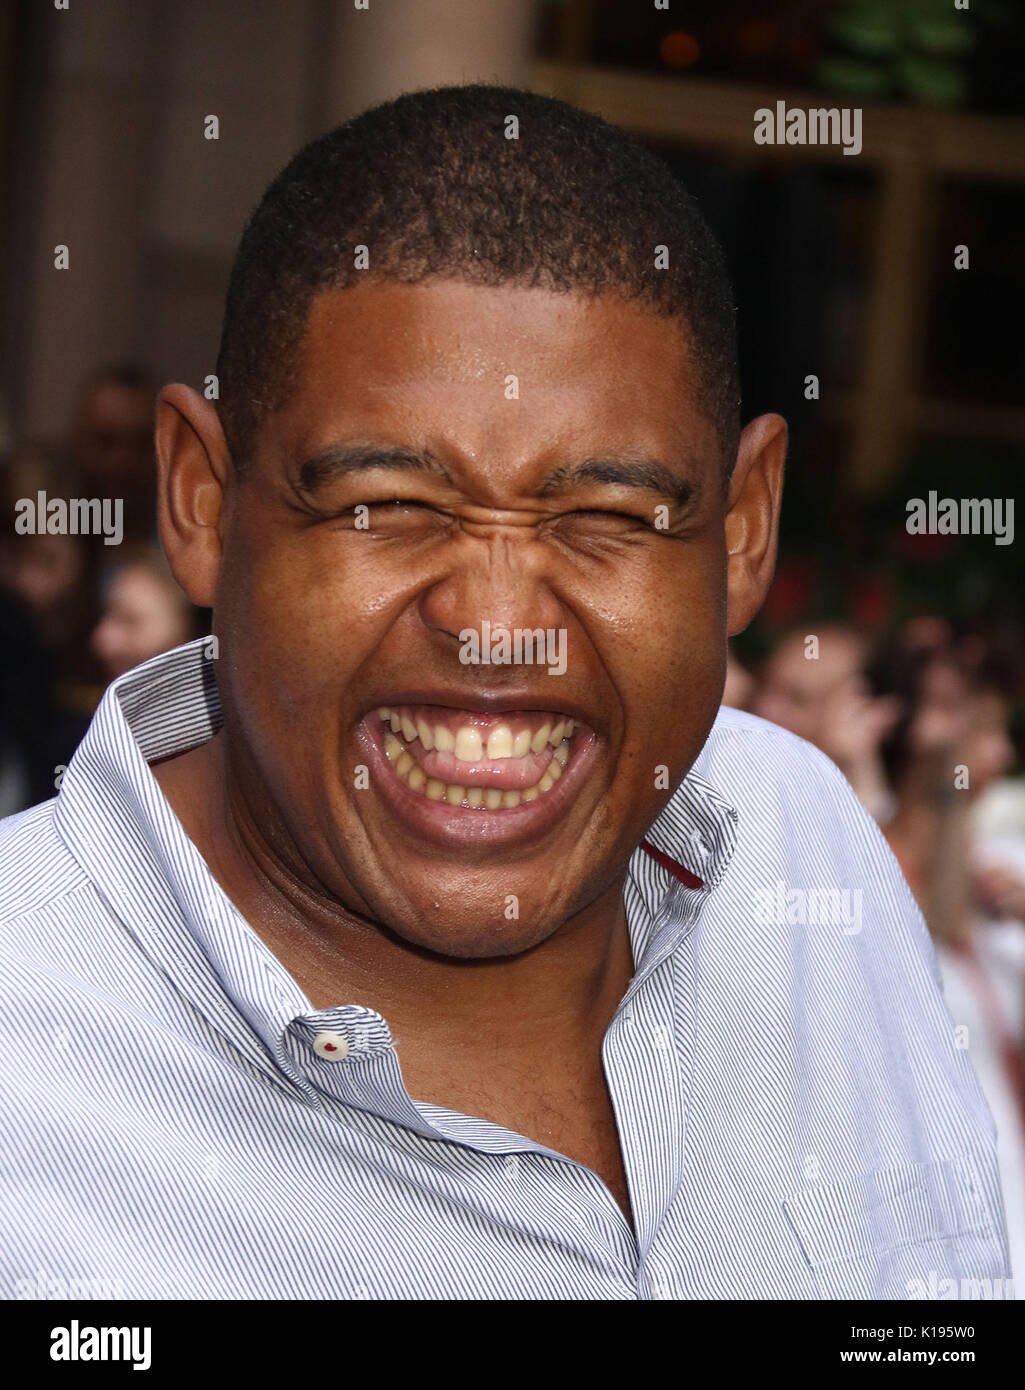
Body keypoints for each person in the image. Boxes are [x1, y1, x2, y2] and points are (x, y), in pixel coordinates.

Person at [0, 84, 1010, 1300]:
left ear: (743, 531)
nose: (494, 626)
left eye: (605, 514)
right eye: (389, 505)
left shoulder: (802, 845)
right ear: (202, 504)